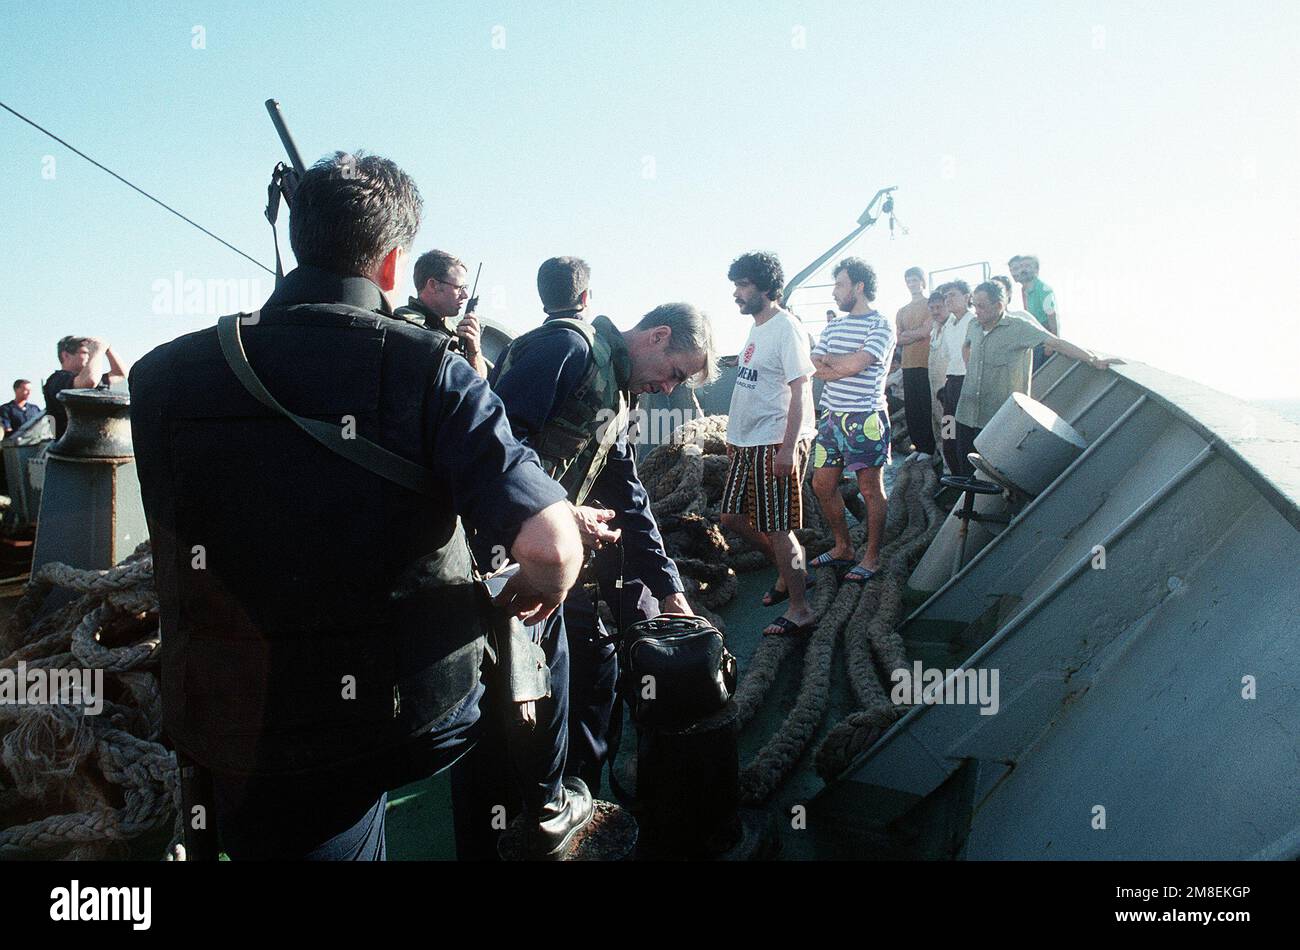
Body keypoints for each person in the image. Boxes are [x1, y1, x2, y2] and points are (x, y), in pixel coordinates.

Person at [130, 151, 594, 861]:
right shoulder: (429, 366)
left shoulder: (159, 375)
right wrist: (535, 588)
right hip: (383, 719)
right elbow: (553, 550)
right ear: (391, 265)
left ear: (295, 235)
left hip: (219, 707)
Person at [461, 255, 706, 832]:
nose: (672, 387)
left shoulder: (617, 394)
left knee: (567, 687)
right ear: (658, 335)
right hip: (492, 562)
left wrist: (668, 591)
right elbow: (488, 444)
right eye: (676, 371)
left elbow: (628, 492)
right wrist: (566, 512)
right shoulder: (565, 351)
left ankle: (560, 811)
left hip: (539, 566)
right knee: (499, 722)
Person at [720, 250, 817, 637]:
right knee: (731, 517)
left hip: (774, 441)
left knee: (778, 527)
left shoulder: (786, 327)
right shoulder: (758, 328)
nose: (736, 294)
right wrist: (734, 438)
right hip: (747, 443)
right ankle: (788, 570)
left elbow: (800, 389)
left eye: (743, 286)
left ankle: (800, 608)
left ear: (765, 287)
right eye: (736, 286)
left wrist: (788, 448)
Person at [955, 280, 1119, 464]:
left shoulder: (1019, 328)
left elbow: (1055, 343)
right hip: (967, 412)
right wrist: (972, 369)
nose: (976, 310)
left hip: (998, 418)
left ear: (999, 305)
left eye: (981, 306)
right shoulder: (974, 326)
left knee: (991, 471)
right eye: (974, 305)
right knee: (963, 464)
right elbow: (966, 346)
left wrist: (1092, 359)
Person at [809, 258, 896, 584]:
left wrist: (836, 363)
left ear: (859, 287)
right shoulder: (832, 326)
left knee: (869, 488)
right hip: (831, 418)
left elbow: (857, 364)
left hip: (866, 418)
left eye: (840, 285)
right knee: (822, 484)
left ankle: (871, 556)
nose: (834, 292)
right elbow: (816, 367)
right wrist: (838, 364)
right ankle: (843, 546)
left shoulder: (882, 325)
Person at [392, 249, 488, 377]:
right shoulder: (404, 324)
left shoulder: (454, 331)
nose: (465, 295)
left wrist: (474, 351)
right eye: (459, 288)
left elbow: (479, 383)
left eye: (466, 288)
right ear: (433, 285)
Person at [42, 336, 128, 437]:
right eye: (85, 352)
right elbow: (89, 381)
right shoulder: (57, 379)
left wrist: (108, 348)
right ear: (66, 355)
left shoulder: (91, 378)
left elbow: (120, 374)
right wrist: (97, 351)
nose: (89, 356)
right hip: (70, 448)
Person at [894, 266, 935, 462]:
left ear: (923, 281)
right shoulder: (902, 311)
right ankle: (918, 446)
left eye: (915, 280)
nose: (912, 284)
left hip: (926, 363)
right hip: (908, 364)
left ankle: (930, 447)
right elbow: (898, 339)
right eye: (909, 280)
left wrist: (909, 334)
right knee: (912, 408)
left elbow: (926, 331)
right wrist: (914, 334)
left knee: (926, 406)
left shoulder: (930, 305)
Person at [939, 281, 976, 475]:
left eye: (952, 295)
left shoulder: (974, 322)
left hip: (967, 383)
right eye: (946, 297)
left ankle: (967, 478)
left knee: (964, 436)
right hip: (951, 383)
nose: (948, 300)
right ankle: (954, 475)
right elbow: (946, 354)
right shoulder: (949, 325)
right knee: (948, 432)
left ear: (967, 296)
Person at [1009, 255, 1059, 371]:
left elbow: (1051, 316)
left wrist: (1053, 343)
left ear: (1036, 270)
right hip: (1034, 339)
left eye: (1028, 266)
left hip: (1044, 341)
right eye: (1021, 266)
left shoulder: (1043, 289)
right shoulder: (1025, 289)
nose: (1023, 270)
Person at [925, 291, 951, 471]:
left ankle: (952, 468)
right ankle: (944, 463)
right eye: (932, 308)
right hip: (934, 389)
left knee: (950, 428)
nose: (935, 311)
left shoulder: (954, 327)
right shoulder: (934, 330)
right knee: (938, 427)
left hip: (947, 391)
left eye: (939, 307)